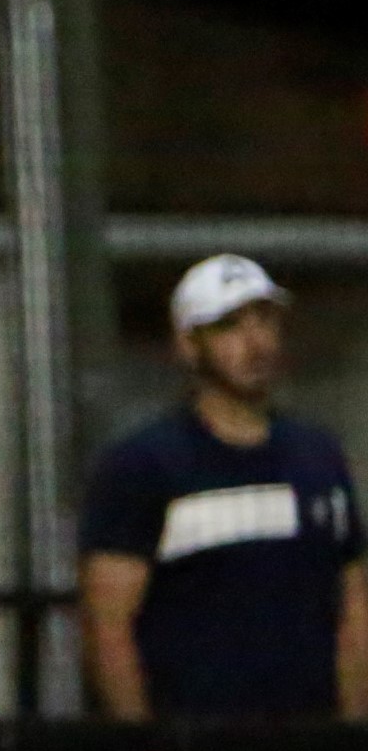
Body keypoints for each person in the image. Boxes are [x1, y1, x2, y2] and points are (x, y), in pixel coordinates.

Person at [80, 254, 368, 721]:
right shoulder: (146, 465)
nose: (255, 342)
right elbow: (109, 625)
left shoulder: (318, 457)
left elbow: (352, 604)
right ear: (190, 345)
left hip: (309, 750)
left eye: (265, 320)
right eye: (229, 326)